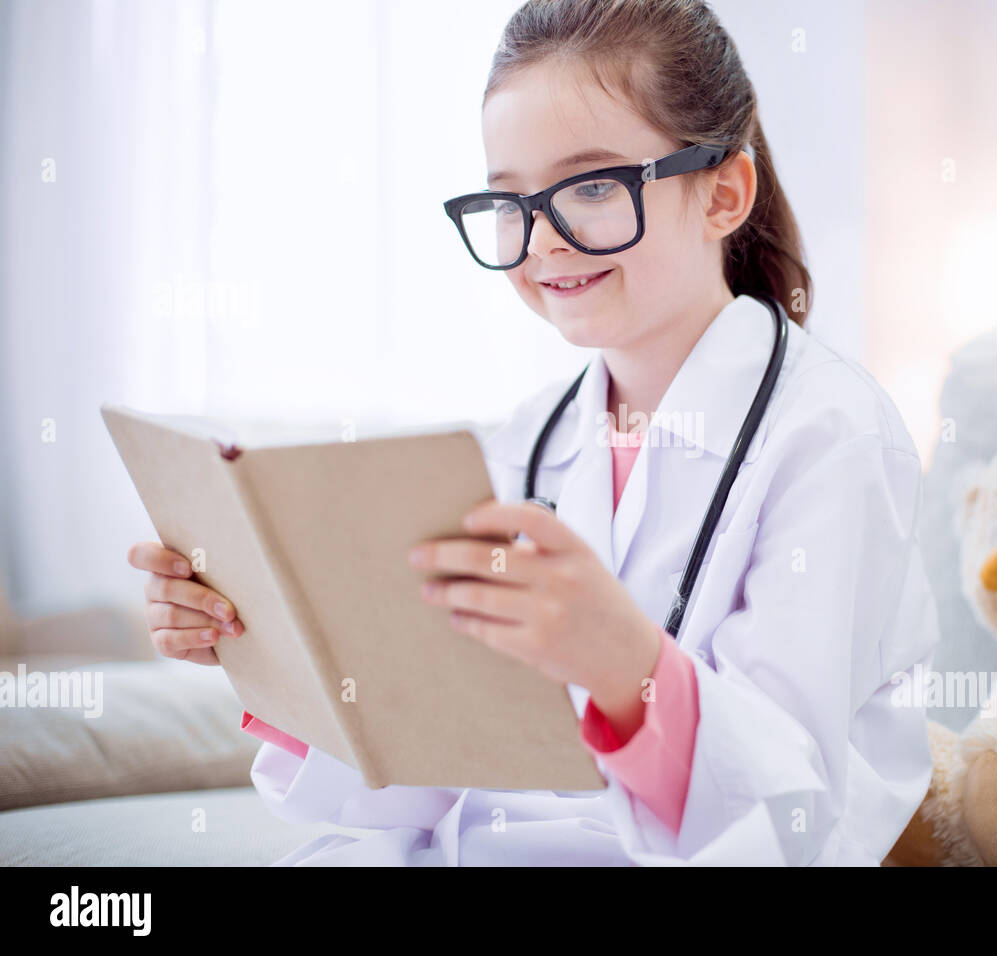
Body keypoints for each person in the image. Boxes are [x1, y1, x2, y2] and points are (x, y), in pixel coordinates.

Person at [126, 0, 940, 865]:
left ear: (724, 194)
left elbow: (791, 817)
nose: (542, 239)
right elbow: (427, 758)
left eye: (592, 186)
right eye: (509, 202)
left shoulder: (831, 436)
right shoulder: (524, 442)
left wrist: (620, 661)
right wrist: (277, 646)